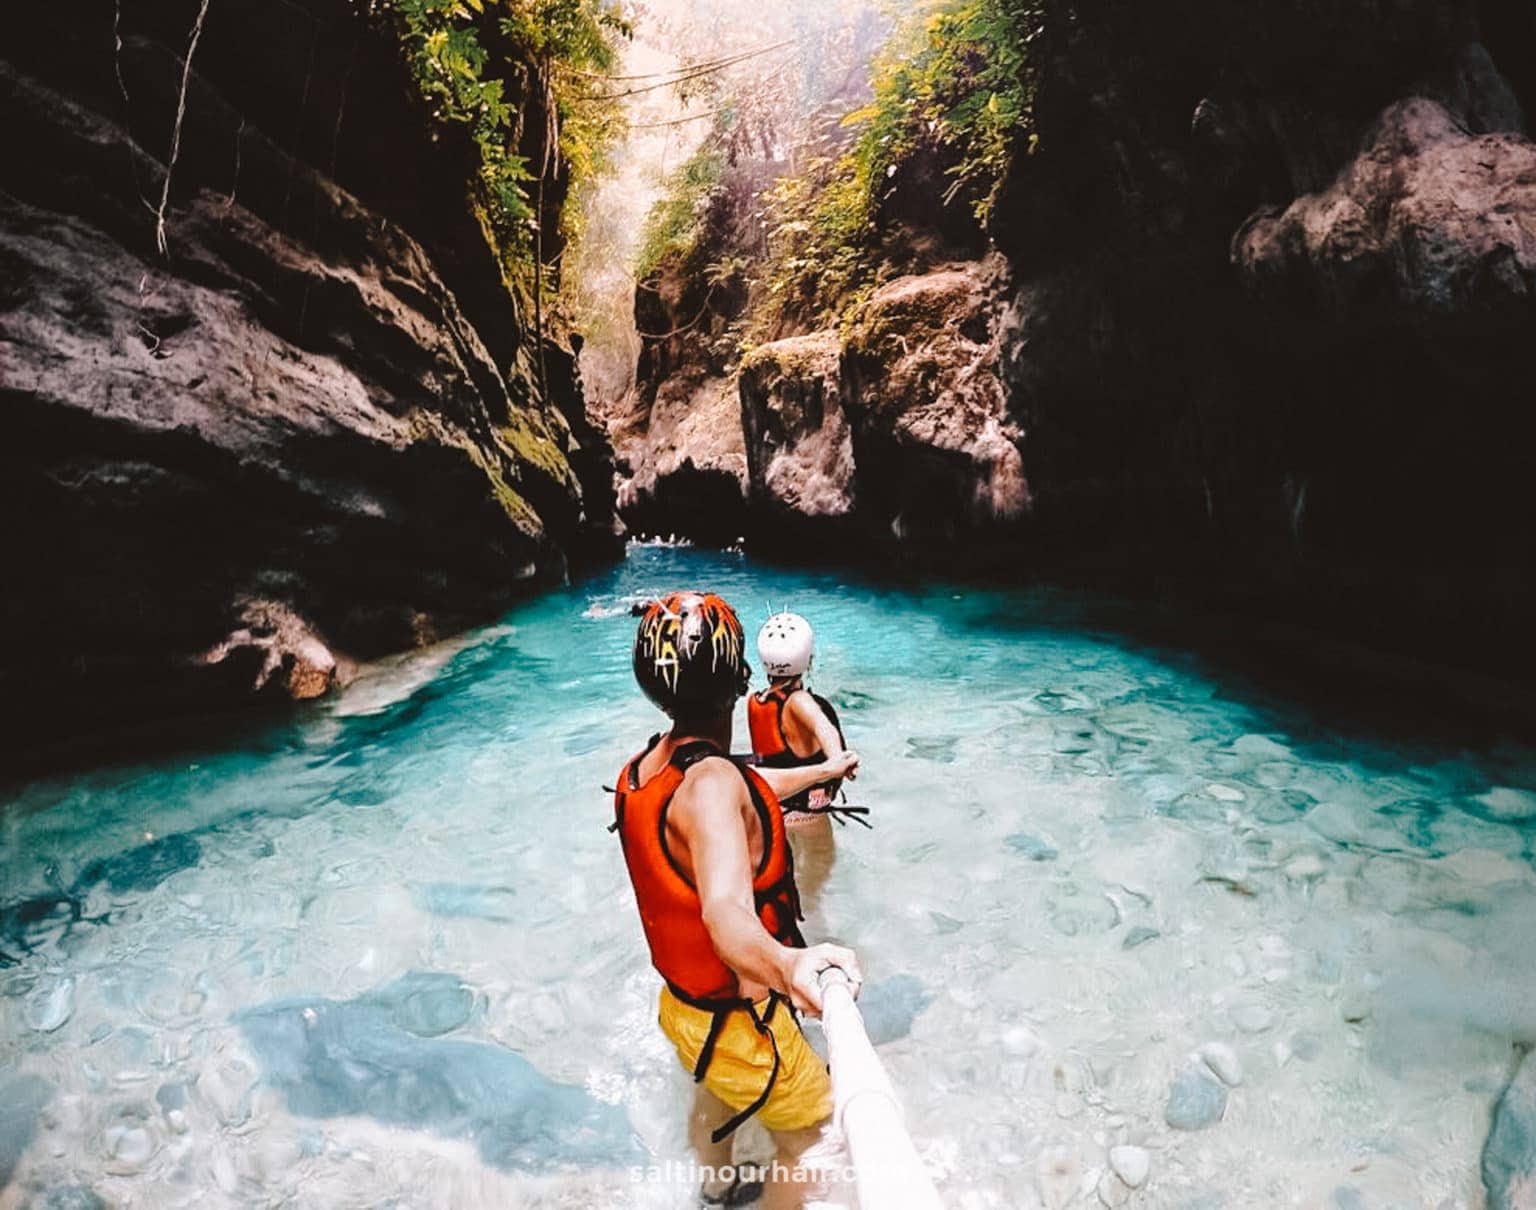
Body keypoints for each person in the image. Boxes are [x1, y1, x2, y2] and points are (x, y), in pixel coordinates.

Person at [614, 592, 862, 1208]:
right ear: (738, 678)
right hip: (741, 1024)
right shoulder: (712, 786)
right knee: (816, 1138)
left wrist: (820, 772)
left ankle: (716, 1190)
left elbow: (746, 786)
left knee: (716, 1091)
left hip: (685, 1010)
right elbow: (725, 914)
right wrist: (789, 964)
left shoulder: (646, 767)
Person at [748, 612, 861, 825]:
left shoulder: (758, 700)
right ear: (809, 660)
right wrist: (838, 759)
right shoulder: (799, 701)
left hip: (774, 808)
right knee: (821, 850)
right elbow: (822, 726)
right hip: (805, 815)